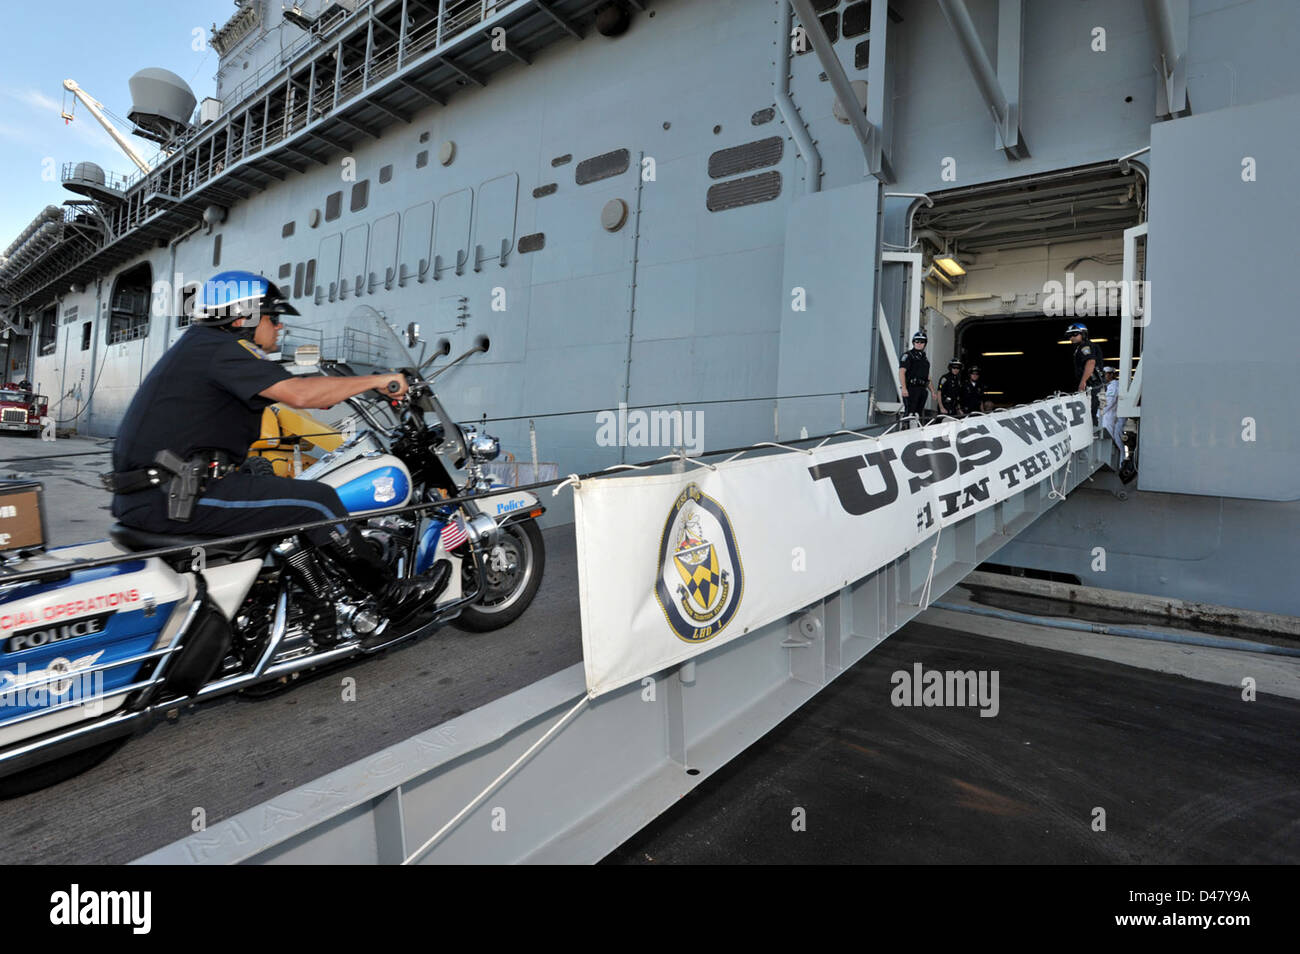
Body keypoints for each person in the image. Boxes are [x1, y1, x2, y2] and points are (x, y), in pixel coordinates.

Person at [105, 269, 449, 643]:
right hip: (172, 499)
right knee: (317, 503)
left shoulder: (202, 347)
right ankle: (392, 596)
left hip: (166, 492)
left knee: (287, 489)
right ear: (243, 317)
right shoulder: (221, 350)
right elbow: (302, 395)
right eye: (273, 317)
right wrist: (379, 380)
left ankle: (318, 602)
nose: (280, 327)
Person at [898, 331, 937, 426]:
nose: (919, 344)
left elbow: (927, 377)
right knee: (909, 414)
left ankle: (915, 434)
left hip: (922, 389)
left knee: (917, 414)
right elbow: (901, 372)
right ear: (913, 342)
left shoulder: (925, 359)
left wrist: (932, 391)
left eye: (922, 342)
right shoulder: (908, 355)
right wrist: (904, 388)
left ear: (925, 344)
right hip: (911, 388)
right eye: (917, 341)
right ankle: (905, 433)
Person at [1067, 322, 1102, 424]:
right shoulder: (1080, 348)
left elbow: (1090, 362)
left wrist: (1083, 382)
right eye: (1069, 335)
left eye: (1074, 334)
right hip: (1093, 387)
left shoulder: (1085, 347)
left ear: (1083, 334)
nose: (1071, 338)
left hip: (1094, 387)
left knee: (1091, 417)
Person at [1099, 366, 1125, 455]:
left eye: (1105, 374)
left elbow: (1109, 402)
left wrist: (1099, 413)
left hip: (1111, 416)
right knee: (1113, 441)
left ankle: (1120, 464)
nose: (1104, 377)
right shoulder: (1111, 386)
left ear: (1111, 375)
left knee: (1113, 440)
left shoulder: (1114, 386)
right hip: (1111, 416)